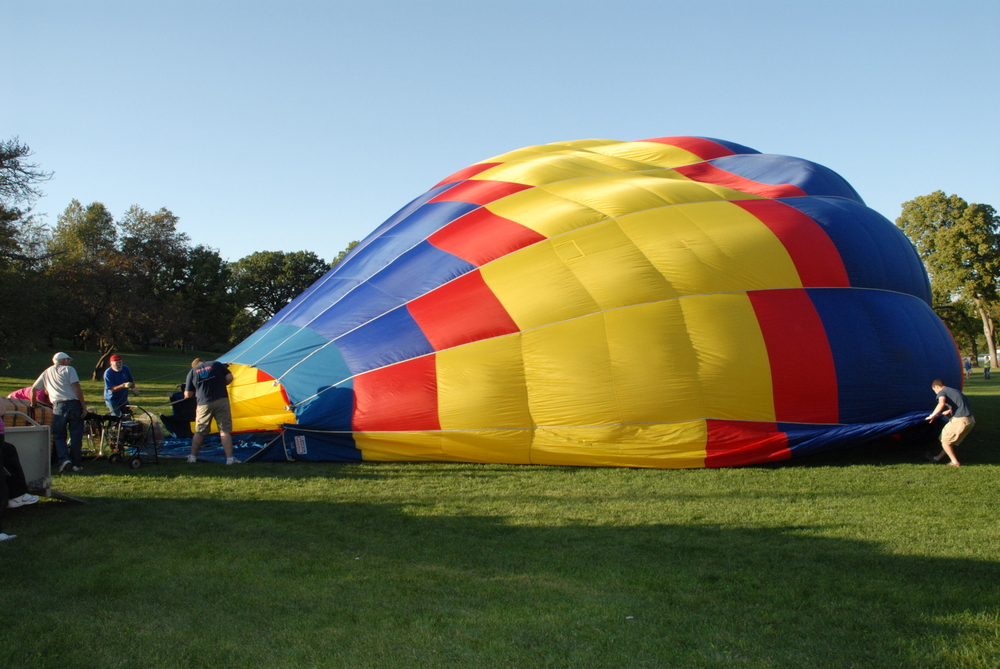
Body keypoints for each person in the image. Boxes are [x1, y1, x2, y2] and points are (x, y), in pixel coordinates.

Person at [32, 352, 87, 473]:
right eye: (68, 360)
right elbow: (76, 386)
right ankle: (77, 464)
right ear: (64, 360)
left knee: (59, 436)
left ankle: (64, 459)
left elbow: (33, 389)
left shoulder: (47, 372)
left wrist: (33, 404)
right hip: (74, 404)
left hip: (58, 406)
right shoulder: (69, 369)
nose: (69, 362)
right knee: (76, 435)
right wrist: (83, 405)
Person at [184, 358, 238, 465]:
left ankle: (193, 457)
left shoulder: (193, 372)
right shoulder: (216, 364)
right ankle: (230, 459)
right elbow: (230, 377)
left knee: (200, 431)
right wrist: (222, 385)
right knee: (224, 430)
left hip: (203, 403)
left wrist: (192, 394)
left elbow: (188, 394)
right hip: (221, 400)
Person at [925, 379, 974, 467]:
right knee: (948, 440)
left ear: (936, 386)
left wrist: (932, 415)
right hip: (970, 420)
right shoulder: (954, 391)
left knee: (944, 440)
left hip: (960, 420)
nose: (936, 393)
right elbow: (962, 403)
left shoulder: (942, 392)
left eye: (934, 391)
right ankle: (936, 458)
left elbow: (941, 403)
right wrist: (950, 410)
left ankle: (955, 462)